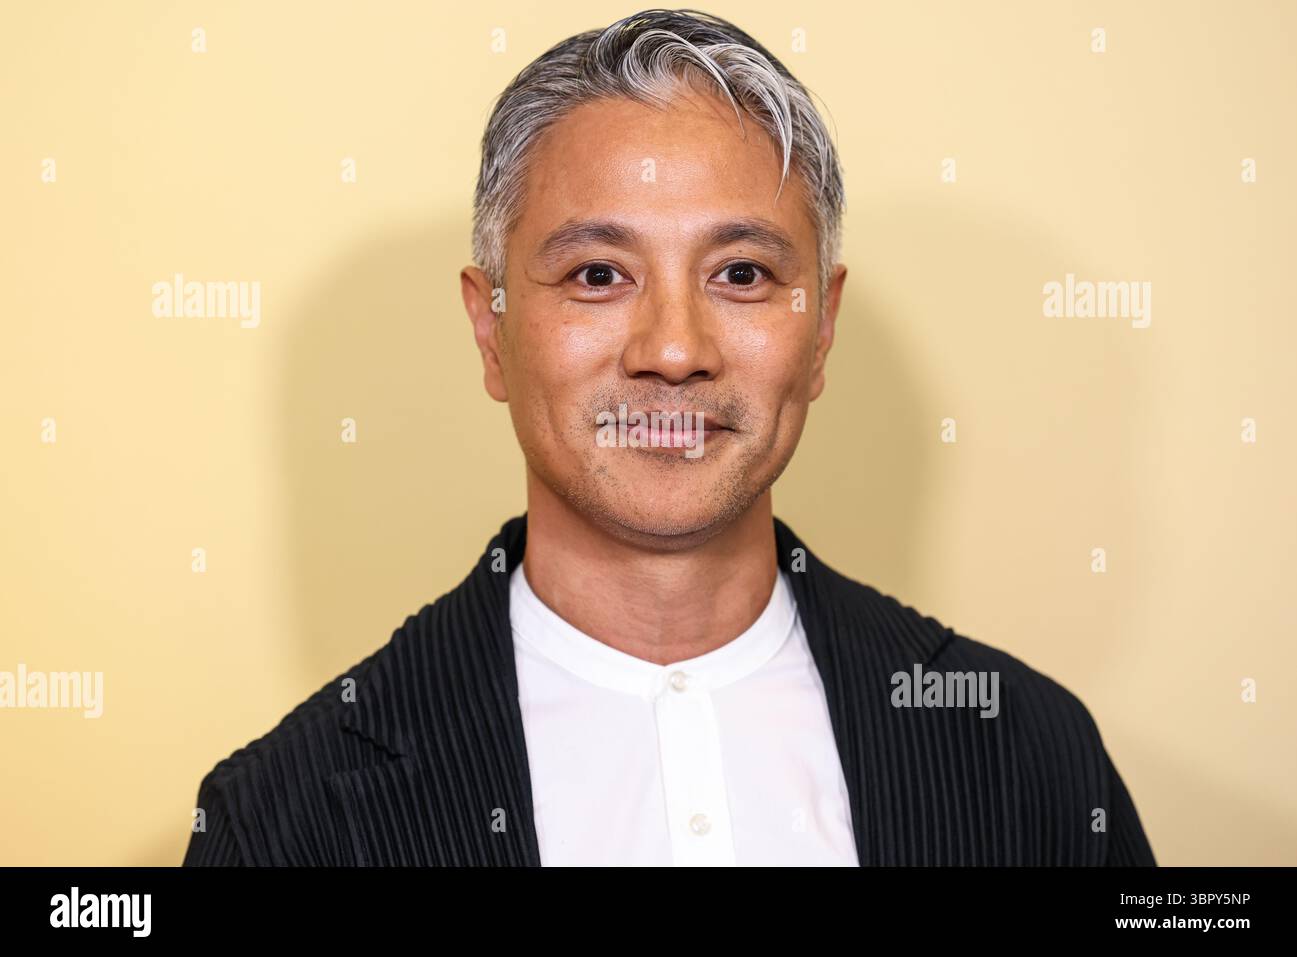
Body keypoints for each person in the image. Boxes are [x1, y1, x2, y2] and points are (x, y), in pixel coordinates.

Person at [183, 8, 1155, 866]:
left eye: (739, 274)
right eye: (598, 275)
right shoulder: (281, 821)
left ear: (820, 331)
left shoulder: (1030, 754)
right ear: (492, 331)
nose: (675, 350)